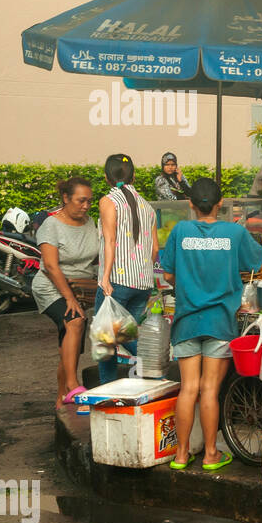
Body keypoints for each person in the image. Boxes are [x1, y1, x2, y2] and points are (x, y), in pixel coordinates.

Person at [161, 178, 262, 472]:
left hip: (186, 321)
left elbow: (167, 274)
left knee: (188, 389)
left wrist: (188, 279)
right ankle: (210, 455)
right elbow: (260, 260)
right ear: (220, 204)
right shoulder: (234, 232)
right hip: (220, 321)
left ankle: (181, 455)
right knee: (209, 390)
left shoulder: (180, 231)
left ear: (191, 205)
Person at [32, 177, 100, 407]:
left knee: (69, 343)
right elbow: (51, 266)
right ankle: (72, 384)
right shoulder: (52, 225)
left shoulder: (90, 223)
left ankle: (62, 398)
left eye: (89, 201)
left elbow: (95, 257)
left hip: (79, 288)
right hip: (51, 287)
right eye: (81, 201)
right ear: (66, 198)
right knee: (75, 321)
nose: (86, 206)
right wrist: (69, 298)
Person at [97, 154, 158, 385]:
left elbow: (110, 240)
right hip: (142, 284)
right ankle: (153, 369)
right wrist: (141, 270)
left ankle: (108, 391)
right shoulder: (148, 206)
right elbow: (154, 250)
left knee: (106, 338)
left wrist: (105, 277)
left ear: (106, 177)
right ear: (133, 175)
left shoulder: (108, 201)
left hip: (116, 283)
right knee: (118, 335)